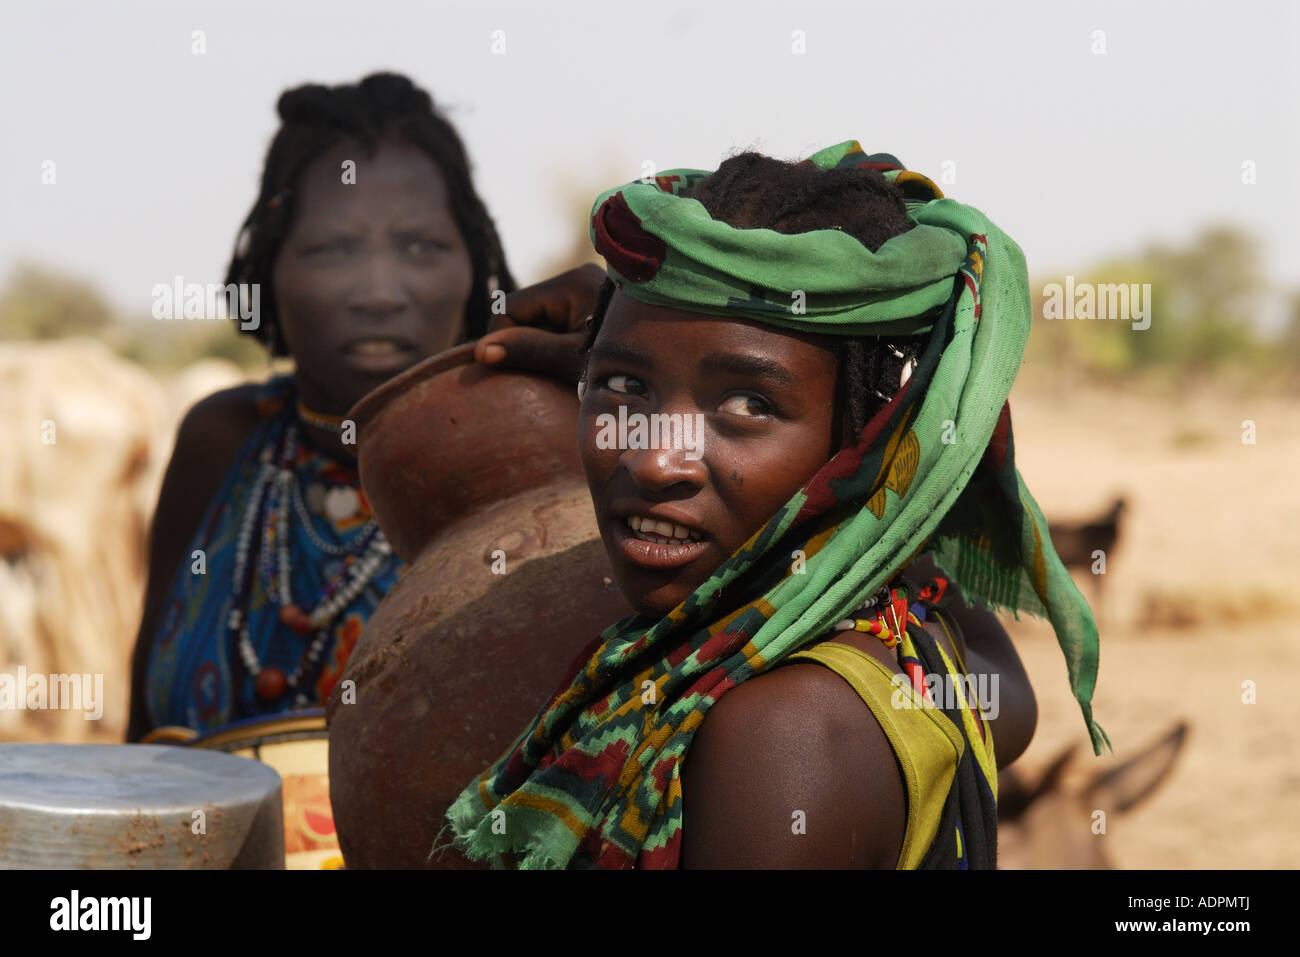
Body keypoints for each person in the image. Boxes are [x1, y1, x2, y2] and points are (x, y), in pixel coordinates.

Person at [442, 142, 1110, 869]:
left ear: (870, 443)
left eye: (747, 403)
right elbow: (1005, 680)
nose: (653, 457)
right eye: (624, 389)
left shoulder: (778, 740)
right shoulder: (930, 660)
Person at [127, 72, 525, 740]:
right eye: (331, 248)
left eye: (422, 246)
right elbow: (141, 746)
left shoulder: (528, 460)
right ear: (270, 269)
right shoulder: (220, 445)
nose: (377, 291)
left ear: (475, 264)